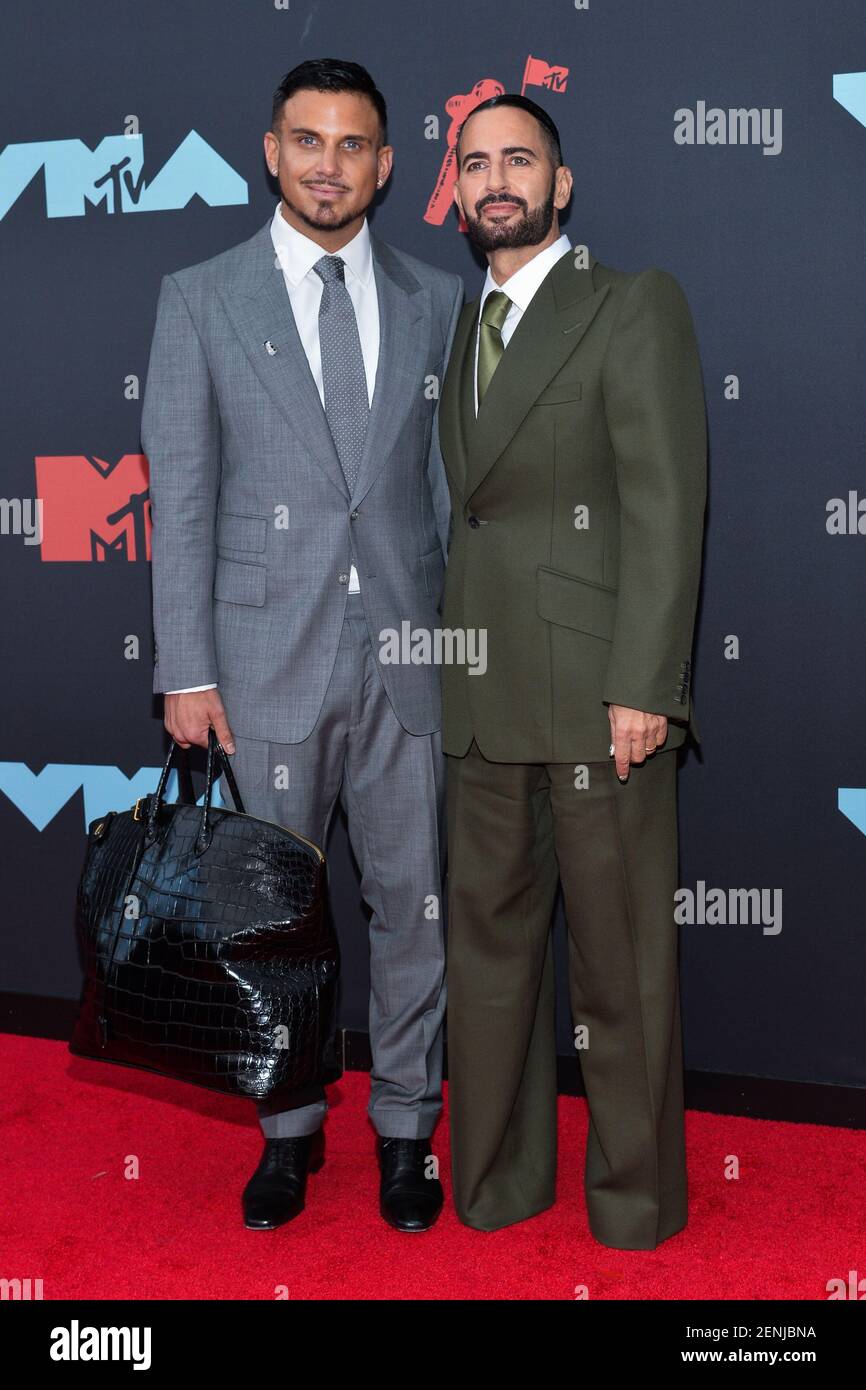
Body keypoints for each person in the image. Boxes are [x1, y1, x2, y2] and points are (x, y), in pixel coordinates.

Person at [141, 58, 464, 1233]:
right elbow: (178, 497)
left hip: (408, 667)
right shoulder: (200, 296)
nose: (329, 163)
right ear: (270, 151)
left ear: (385, 165)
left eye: (353, 145)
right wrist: (185, 667)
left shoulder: (435, 301)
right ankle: (287, 1136)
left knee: (412, 907)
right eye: (306, 140)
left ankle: (405, 1133)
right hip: (261, 666)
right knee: (272, 918)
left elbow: (438, 498)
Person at [437, 93, 707, 1248]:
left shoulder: (626, 304)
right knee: (488, 965)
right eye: (476, 163)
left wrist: (646, 682)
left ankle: (634, 1202)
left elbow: (663, 503)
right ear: (453, 188)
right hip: (480, 701)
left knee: (619, 971)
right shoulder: (460, 322)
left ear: (562, 182)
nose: (497, 180)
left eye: (520, 160)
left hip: (604, 703)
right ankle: (496, 1180)